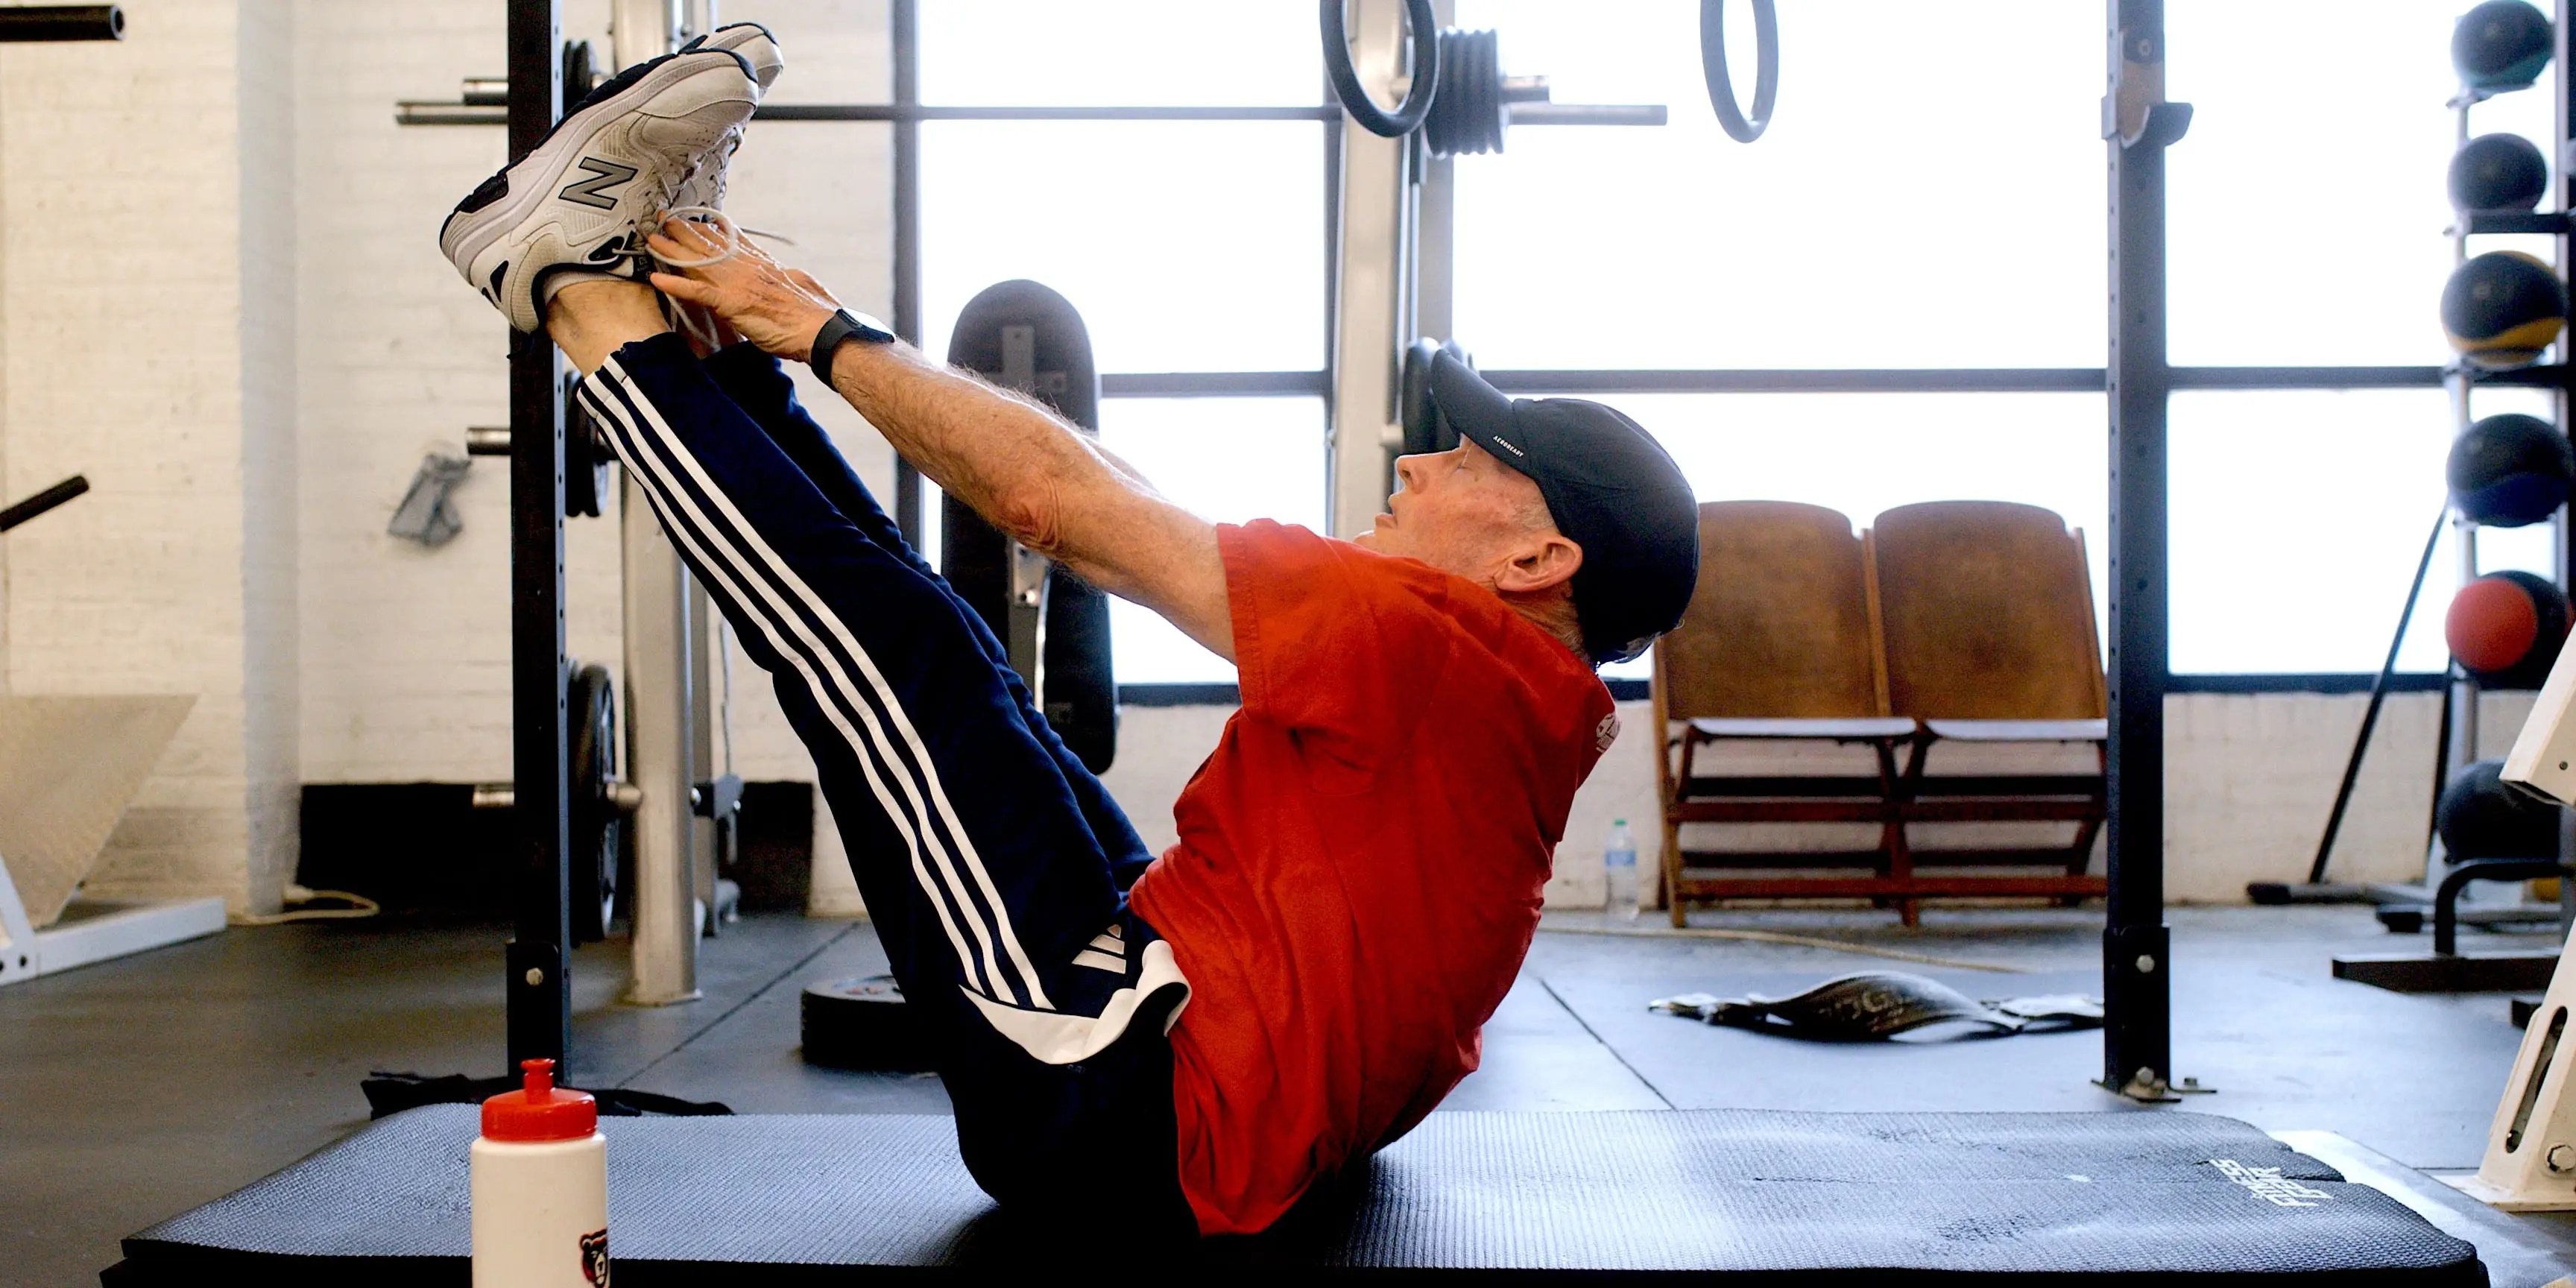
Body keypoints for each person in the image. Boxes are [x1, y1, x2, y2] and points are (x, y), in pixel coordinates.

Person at [436, 26, 1699, 1239]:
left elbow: (1053, 506)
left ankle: (567, 285)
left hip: (1109, 1103)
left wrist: (821, 327)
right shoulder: (1517, 700)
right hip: (1164, 1036)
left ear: (1538, 560)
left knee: (883, 662)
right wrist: (771, 327)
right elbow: (1122, 508)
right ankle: (687, 315)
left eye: (1469, 461)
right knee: (951, 653)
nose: (1419, 462)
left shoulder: (1442, 650)